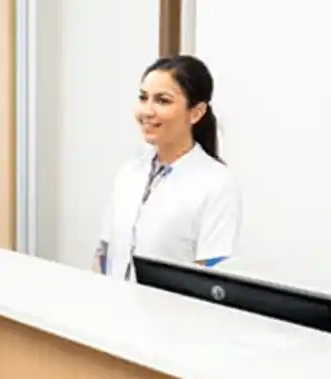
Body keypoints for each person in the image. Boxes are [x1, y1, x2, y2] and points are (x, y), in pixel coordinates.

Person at [94, 54, 241, 280]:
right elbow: (104, 252)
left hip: (173, 315)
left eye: (162, 100)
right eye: (143, 98)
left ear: (196, 112)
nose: (147, 111)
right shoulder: (130, 172)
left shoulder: (217, 184)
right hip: (114, 310)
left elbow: (210, 278)